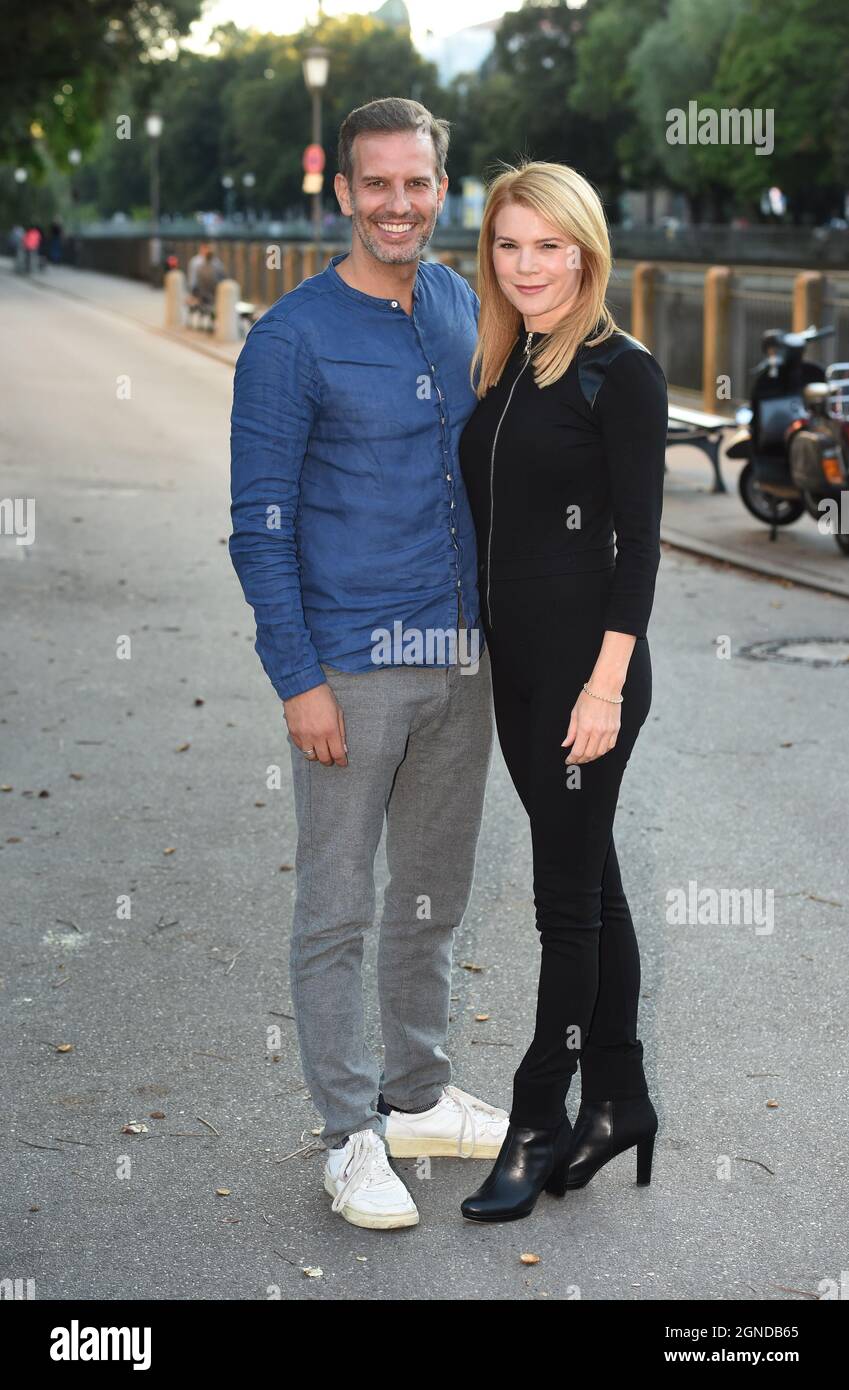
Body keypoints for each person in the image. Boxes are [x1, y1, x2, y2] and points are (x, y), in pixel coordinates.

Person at [228, 97, 508, 1232]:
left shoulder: (463, 303)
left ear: (444, 187)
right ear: (342, 194)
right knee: (338, 908)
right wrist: (298, 679)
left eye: (419, 182)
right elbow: (260, 524)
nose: (399, 203)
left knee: (432, 897)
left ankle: (417, 1095)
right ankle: (348, 1134)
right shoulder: (289, 337)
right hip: (349, 664)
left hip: (463, 661)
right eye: (376, 183)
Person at [457, 161, 668, 1222]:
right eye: (509, 244)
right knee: (595, 885)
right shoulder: (506, 360)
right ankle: (620, 1098)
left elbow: (638, 548)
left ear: (585, 250)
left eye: (550, 245)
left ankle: (538, 1118)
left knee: (563, 910)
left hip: (589, 681)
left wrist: (603, 689)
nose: (529, 265)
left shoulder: (615, 371)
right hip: (521, 676)